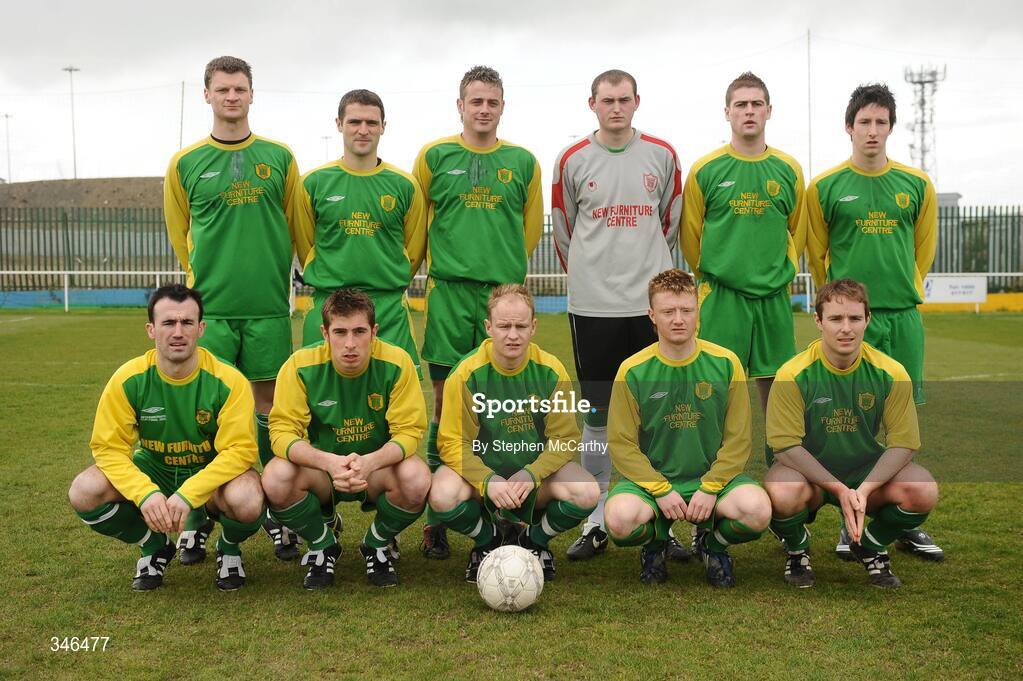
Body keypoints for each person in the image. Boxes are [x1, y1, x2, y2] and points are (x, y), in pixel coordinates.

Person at [164, 55, 305, 562]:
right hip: (213, 312)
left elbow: (297, 226)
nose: (231, 96)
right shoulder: (185, 163)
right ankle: (198, 517)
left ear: (251, 94)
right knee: (207, 412)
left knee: (268, 408)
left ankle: (274, 509)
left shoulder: (279, 157)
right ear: (207, 94)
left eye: (239, 88)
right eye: (222, 89)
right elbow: (182, 235)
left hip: (267, 308)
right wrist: (205, 285)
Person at [551, 69, 685, 562]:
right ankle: (595, 521)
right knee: (599, 415)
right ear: (592, 104)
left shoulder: (662, 155)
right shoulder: (571, 159)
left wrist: (648, 275)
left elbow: (669, 222)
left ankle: (663, 525)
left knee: (659, 414)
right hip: (593, 306)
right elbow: (564, 229)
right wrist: (593, 273)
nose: (616, 108)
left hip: (650, 309)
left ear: (637, 102)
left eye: (624, 99)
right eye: (607, 100)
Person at [806, 83, 942, 561]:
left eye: (880, 122)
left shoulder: (916, 184)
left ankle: (902, 523)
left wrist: (899, 292)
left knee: (902, 420)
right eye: (864, 121)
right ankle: (850, 520)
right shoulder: (824, 187)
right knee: (850, 419)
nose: (872, 130)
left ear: (890, 127)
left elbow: (923, 251)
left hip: (901, 317)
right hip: (851, 320)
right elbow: (817, 254)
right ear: (849, 127)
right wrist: (843, 309)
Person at [414, 65, 543, 560]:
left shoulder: (522, 162)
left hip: (501, 293)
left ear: (502, 107)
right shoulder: (434, 156)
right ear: (460, 106)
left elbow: (528, 230)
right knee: (445, 403)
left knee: (503, 403)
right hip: (449, 293)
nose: (483, 109)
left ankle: (506, 509)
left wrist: (503, 278)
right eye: (476, 101)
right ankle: (437, 518)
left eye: (492, 102)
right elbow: (418, 222)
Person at [68, 285, 264, 591]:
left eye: (187, 323)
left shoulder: (228, 380)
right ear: (151, 330)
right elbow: (108, 449)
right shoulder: (128, 379)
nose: (178, 332)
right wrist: (145, 493)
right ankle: (154, 546)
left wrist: (190, 493)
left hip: (211, 474)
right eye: (168, 323)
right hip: (155, 469)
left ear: (201, 329)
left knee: (248, 498)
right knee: (84, 490)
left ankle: (227, 548)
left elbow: (240, 451)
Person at [764, 279, 938, 589]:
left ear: (867, 319)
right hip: (807, 473)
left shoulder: (891, 372)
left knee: (923, 488)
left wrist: (864, 490)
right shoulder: (792, 373)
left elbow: (904, 443)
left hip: (863, 470)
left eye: (855, 318)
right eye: (835, 318)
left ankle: (870, 546)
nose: (846, 328)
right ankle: (797, 548)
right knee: (782, 489)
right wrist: (839, 489)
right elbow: (785, 446)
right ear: (818, 321)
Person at [604, 269, 770, 587]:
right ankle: (655, 544)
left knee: (757, 511)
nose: (678, 319)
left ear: (698, 312)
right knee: (620, 520)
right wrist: (659, 489)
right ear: (652, 315)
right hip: (653, 484)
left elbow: (738, 440)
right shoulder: (632, 370)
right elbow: (622, 443)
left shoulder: (726, 363)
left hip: (712, 481)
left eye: (686, 310)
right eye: (668, 311)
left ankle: (713, 544)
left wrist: (710, 487)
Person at [429, 284, 598, 582]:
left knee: (586, 492)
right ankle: (488, 540)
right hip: (483, 480)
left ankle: (533, 541)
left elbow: (564, 439)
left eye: (520, 326)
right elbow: (452, 443)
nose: (512, 335)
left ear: (533, 327)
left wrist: (532, 474)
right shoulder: (466, 373)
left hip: (534, 479)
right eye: (504, 326)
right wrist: (487, 480)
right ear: (488, 327)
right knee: (441, 494)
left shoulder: (551, 370)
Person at [263, 289, 429, 589]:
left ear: (374, 332)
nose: (350, 343)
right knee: (276, 477)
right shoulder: (300, 365)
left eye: (359, 332)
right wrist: (328, 462)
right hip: (322, 471)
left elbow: (409, 432)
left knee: (416, 478)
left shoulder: (397, 362)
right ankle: (323, 543)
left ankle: (376, 543)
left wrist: (370, 462)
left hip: (376, 469)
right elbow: (282, 433)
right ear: (325, 333)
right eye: (340, 332)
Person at [681, 71, 805, 413]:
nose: (749, 111)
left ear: (769, 110)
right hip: (723, 297)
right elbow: (690, 235)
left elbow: (797, 231)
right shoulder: (705, 169)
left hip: (772, 296)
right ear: (727, 112)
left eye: (756, 104)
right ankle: (714, 450)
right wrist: (716, 273)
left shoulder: (789, 169)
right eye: (740, 105)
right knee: (714, 386)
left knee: (779, 389)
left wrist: (777, 274)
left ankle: (780, 449)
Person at [295, 89, 426, 376]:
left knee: (398, 394)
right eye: (355, 122)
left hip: (388, 308)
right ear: (339, 124)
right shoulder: (313, 183)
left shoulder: (405, 185)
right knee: (321, 394)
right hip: (330, 304)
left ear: (383, 127)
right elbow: (306, 246)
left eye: (371, 122)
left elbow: (414, 250)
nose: (363, 130)